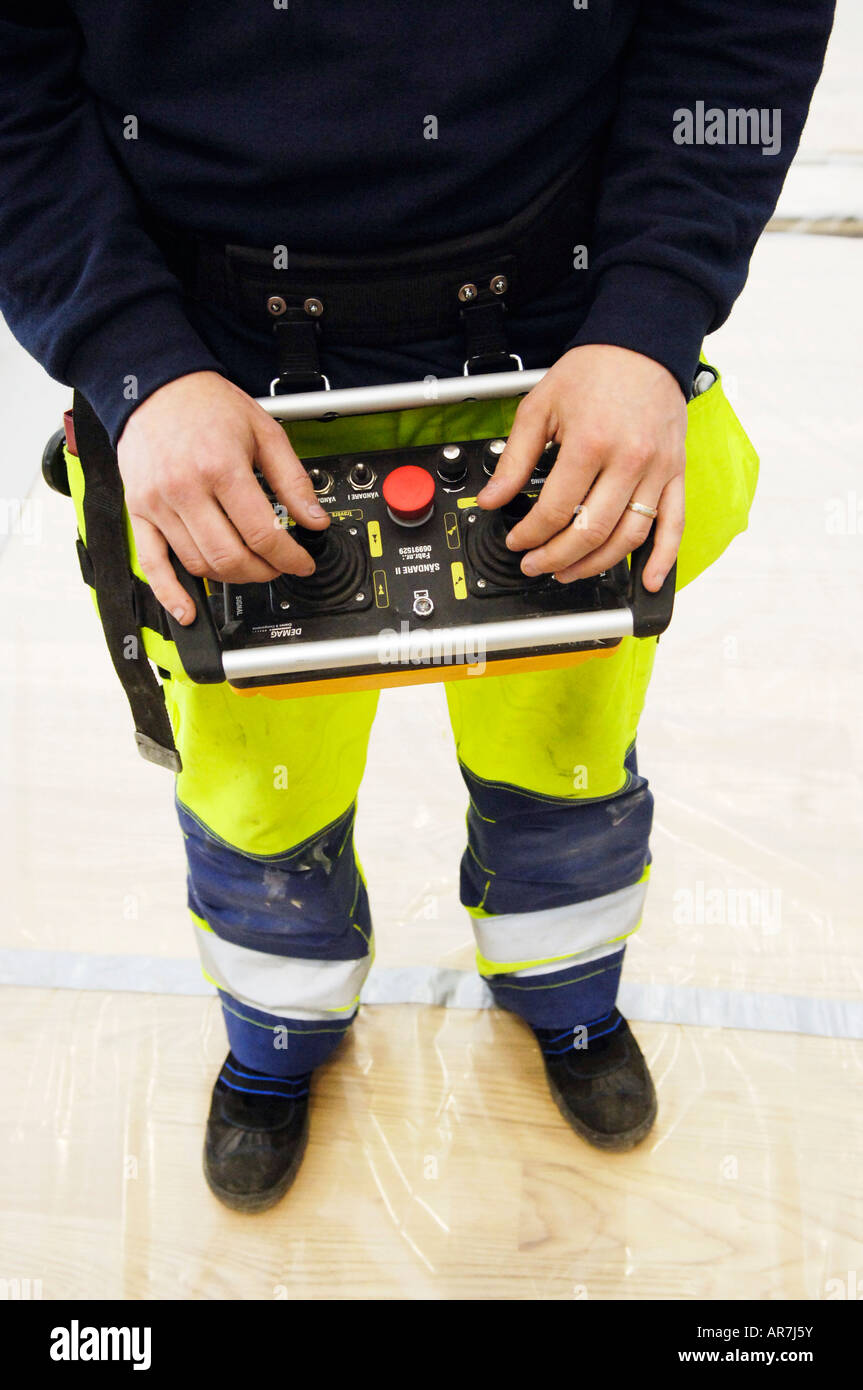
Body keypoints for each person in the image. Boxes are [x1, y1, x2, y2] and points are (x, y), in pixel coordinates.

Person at [0, 2, 834, 1212]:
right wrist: (132, 358)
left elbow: (739, 22)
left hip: (560, 366)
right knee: (253, 777)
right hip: (214, 394)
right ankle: (280, 1037)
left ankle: (563, 993)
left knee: (563, 752)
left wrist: (651, 319)